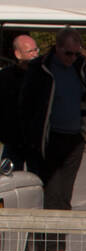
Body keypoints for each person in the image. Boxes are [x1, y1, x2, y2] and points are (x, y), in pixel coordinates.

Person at [20, 27, 86, 251]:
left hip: (73, 138)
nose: (71, 58)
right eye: (68, 53)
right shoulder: (41, 69)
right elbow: (27, 105)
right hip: (50, 139)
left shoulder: (78, 68)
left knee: (65, 194)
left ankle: (57, 244)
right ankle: (47, 245)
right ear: (57, 48)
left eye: (76, 54)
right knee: (52, 192)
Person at [0, 33, 39, 167]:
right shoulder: (5, 76)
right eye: (30, 51)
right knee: (9, 179)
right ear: (18, 54)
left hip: (36, 140)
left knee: (38, 180)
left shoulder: (43, 75)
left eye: (36, 50)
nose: (34, 54)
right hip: (13, 140)